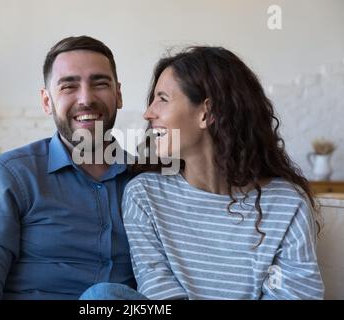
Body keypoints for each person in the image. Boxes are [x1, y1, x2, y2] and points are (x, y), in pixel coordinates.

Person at [80, 46, 324, 300]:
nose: (148, 113)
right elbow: (159, 293)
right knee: (101, 298)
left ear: (207, 113)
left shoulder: (287, 204)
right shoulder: (145, 195)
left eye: (162, 99)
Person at [0, 36, 136, 299]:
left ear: (118, 95)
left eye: (100, 83)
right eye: (69, 86)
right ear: (47, 101)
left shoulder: (146, 179)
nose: (86, 98)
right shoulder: (8, 175)